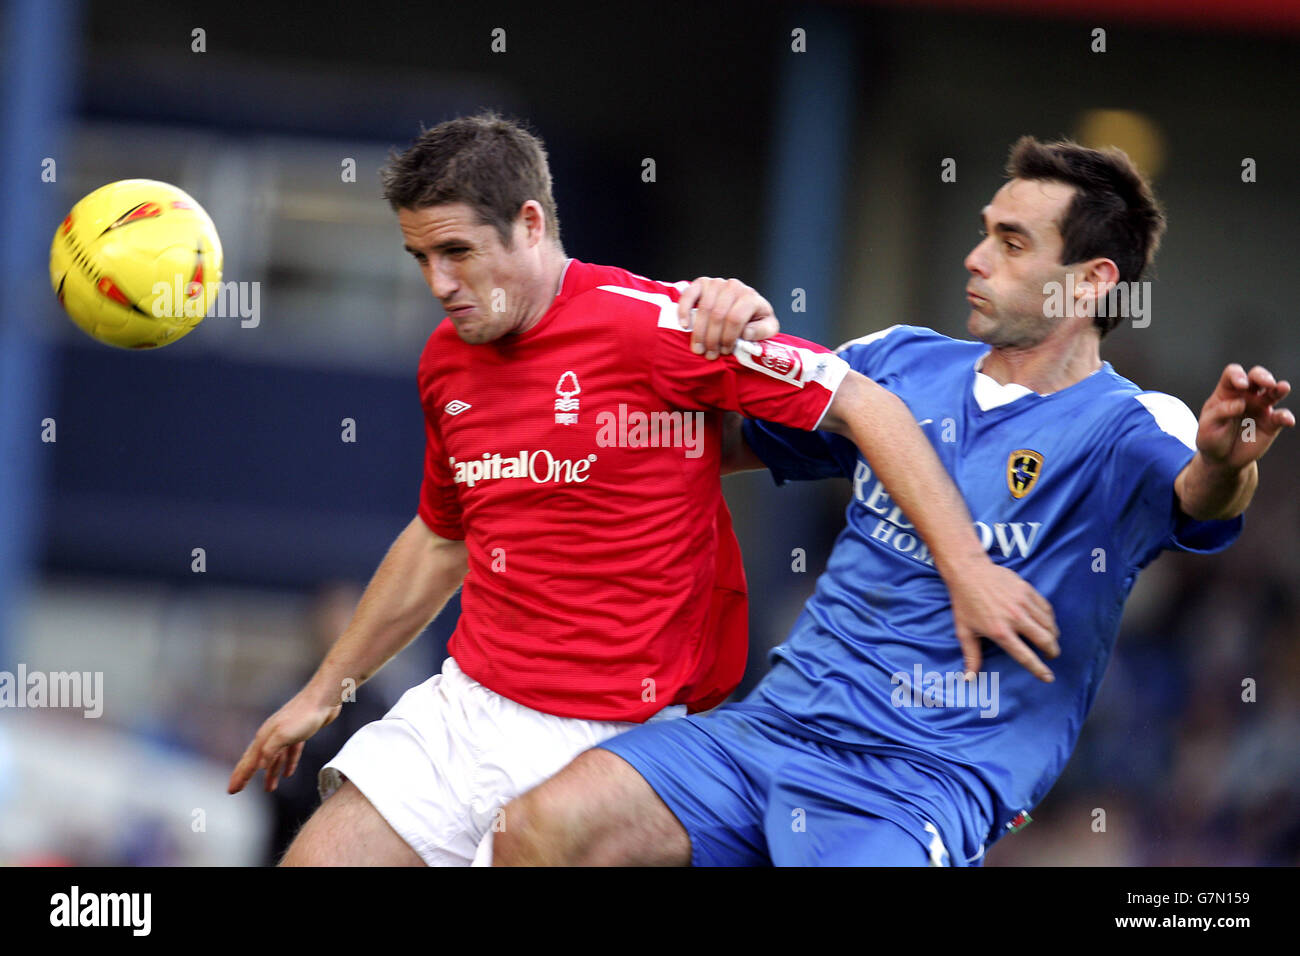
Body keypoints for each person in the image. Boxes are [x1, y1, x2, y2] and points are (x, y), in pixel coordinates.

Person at [226, 114, 1057, 866]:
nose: (439, 282)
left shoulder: (660, 325)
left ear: (529, 224)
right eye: (420, 258)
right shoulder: (446, 361)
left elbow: (866, 404)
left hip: (617, 742)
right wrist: (321, 692)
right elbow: (442, 539)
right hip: (467, 706)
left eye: (457, 252)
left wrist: (967, 568)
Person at [492, 135, 1294, 867]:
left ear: (1090, 283)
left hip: (921, 785)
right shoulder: (896, 360)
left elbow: (1203, 496)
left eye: (1012, 243)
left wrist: (1228, 460)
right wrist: (714, 329)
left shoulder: (1131, 422)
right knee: (537, 829)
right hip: (772, 732)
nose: (976, 258)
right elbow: (720, 442)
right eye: (985, 230)